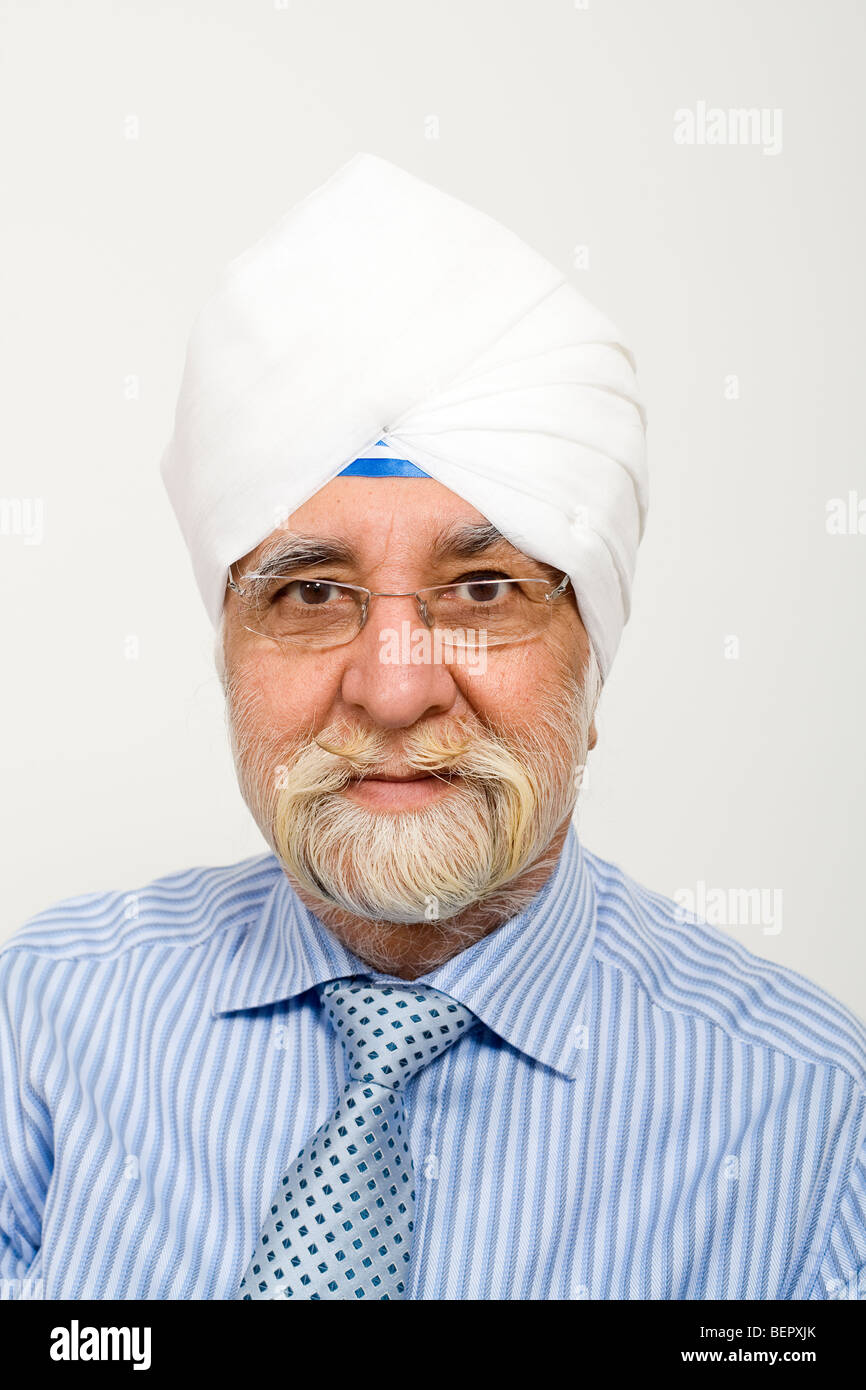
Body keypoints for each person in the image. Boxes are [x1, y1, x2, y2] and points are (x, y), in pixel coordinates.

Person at [1, 154, 864, 1302]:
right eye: (310, 594)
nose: (395, 691)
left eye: (482, 592)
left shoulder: (806, 1118)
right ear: (227, 654)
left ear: (591, 658)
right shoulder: (45, 1018)